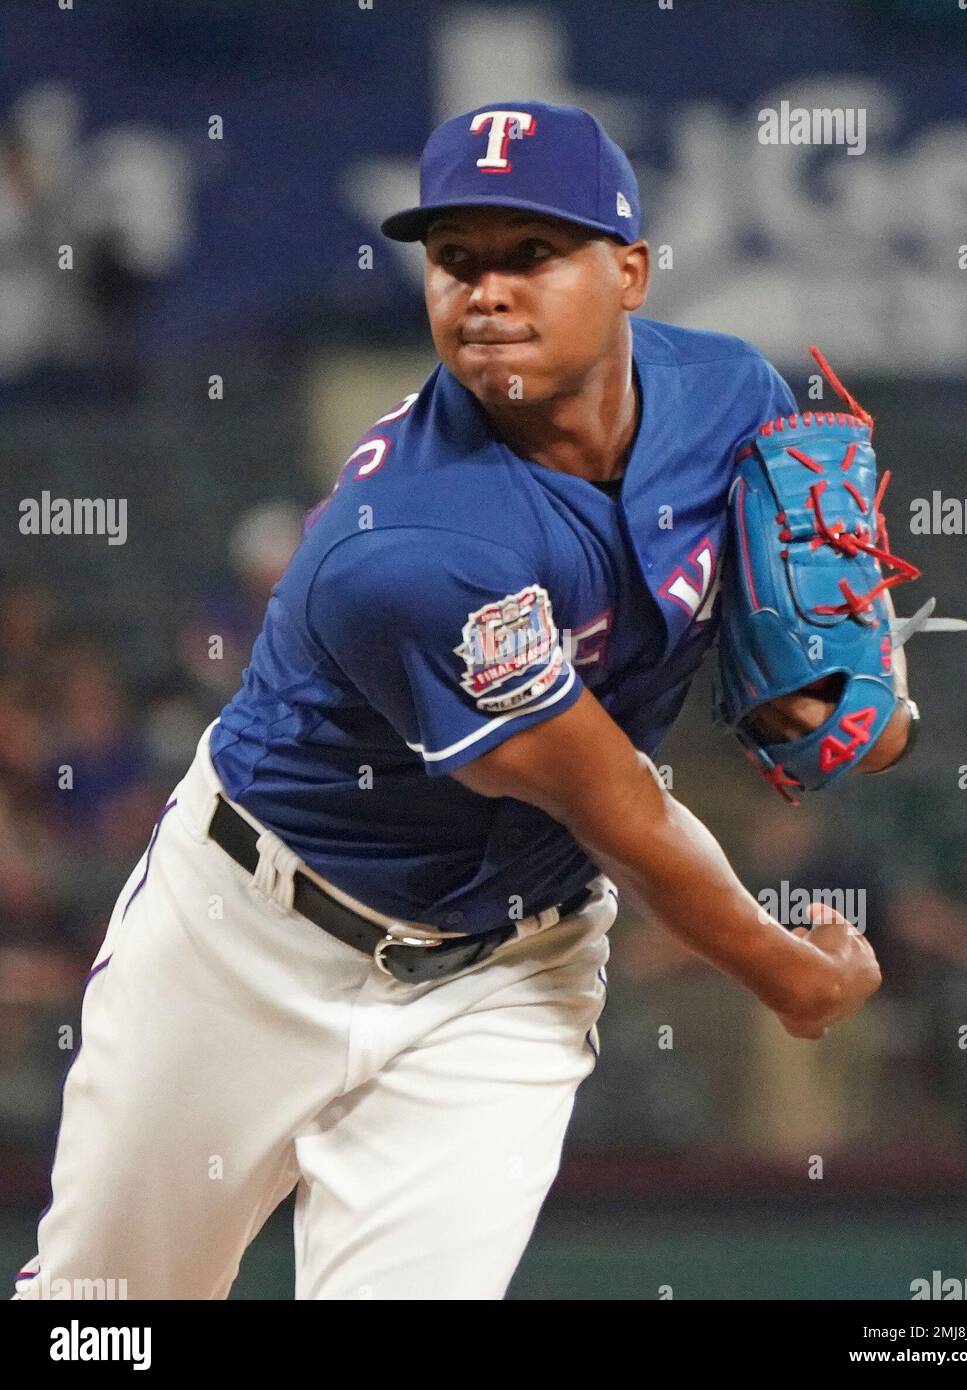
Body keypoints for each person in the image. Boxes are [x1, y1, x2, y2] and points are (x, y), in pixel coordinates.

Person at [15, 101, 908, 1303]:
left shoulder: (732, 396)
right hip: (248, 941)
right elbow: (619, 814)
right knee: (102, 1322)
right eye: (456, 260)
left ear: (630, 270)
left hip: (504, 974)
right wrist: (788, 974)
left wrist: (861, 702)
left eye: (530, 253)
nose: (485, 289)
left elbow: (820, 659)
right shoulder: (413, 545)